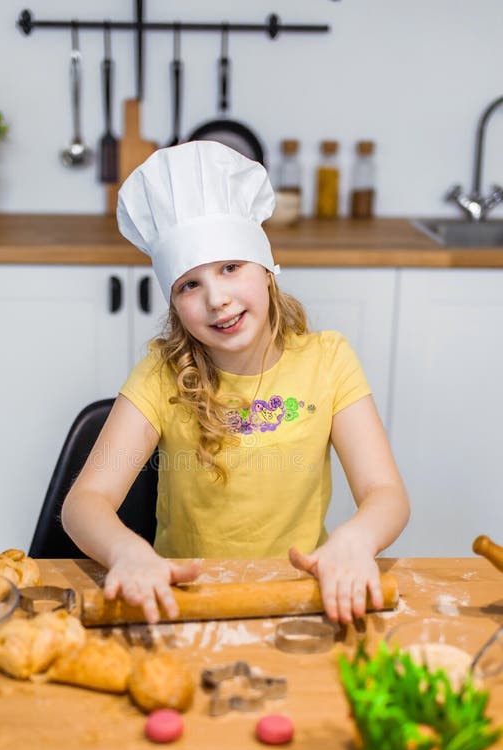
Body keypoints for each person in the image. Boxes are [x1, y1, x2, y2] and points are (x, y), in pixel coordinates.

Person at [62, 141, 409, 625]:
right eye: (190, 284)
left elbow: (385, 492)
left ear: (267, 271)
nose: (217, 299)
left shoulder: (328, 361)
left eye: (230, 267)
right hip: (184, 602)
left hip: (305, 597)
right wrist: (127, 552)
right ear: (174, 303)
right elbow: (85, 503)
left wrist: (355, 541)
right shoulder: (161, 375)